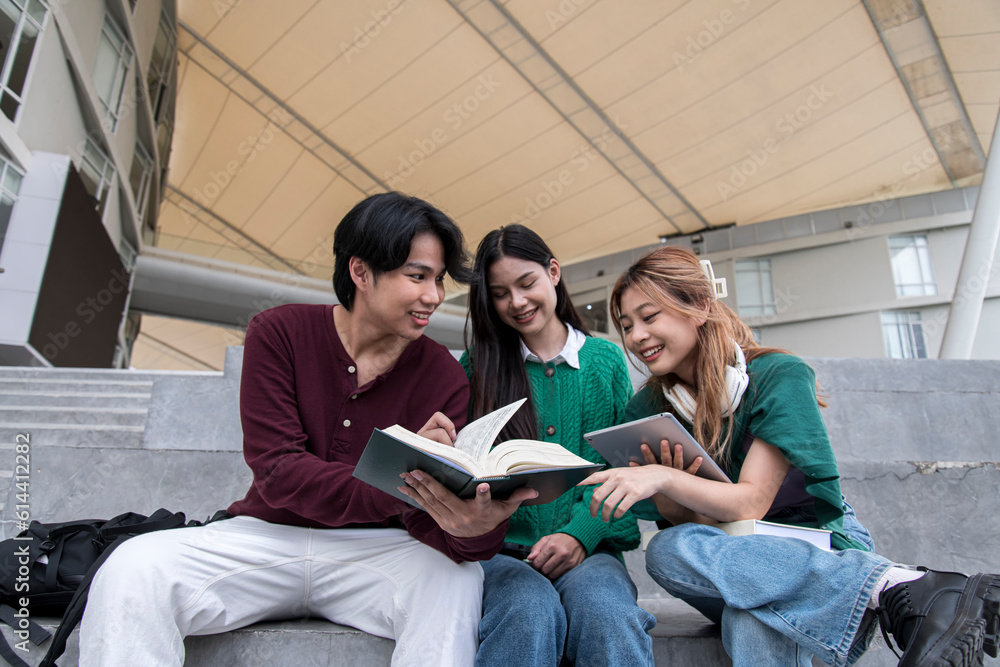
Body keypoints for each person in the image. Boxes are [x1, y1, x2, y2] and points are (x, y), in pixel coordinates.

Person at [78, 193, 536, 666]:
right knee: (132, 567)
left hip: (378, 549)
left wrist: (477, 527)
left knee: (456, 579)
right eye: (417, 276)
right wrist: (401, 476)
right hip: (264, 534)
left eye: (437, 280)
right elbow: (278, 470)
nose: (434, 297)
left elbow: (432, 523)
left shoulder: (442, 372)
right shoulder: (279, 332)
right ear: (361, 272)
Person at [581, 245, 1000, 667]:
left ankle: (880, 585)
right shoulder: (648, 411)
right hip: (729, 553)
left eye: (649, 317)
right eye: (626, 325)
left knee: (753, 616)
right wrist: (669, 489)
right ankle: (890, 586)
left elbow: (751, 504)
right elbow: (703, 528)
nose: (635, 337)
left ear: (699, 307)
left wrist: (666, 478)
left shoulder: (778, 375)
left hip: (811, 540)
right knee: (668, 550)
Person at [460, 224, 655, 666]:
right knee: (527, 611)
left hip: (592, 551)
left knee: (605, 613)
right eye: (500, 293)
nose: (517, 302)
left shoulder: (604, 362)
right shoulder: (478, 367)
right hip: (501, 555)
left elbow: (621, 470)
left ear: (553, 272)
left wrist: (578, 535)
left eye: (527, 283)